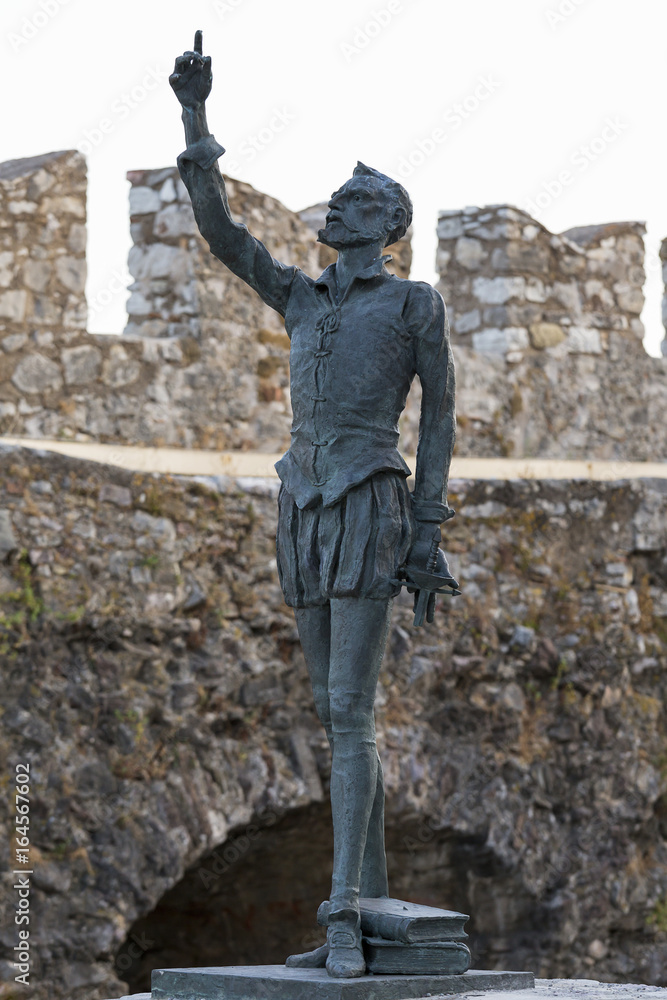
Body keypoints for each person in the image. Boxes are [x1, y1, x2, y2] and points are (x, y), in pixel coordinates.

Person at [170, 31, 458, 980]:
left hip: (370, 503)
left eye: (352, 202)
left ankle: (343, 912)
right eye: (334, 199)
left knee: (348, 710)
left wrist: (427, 532)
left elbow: (438, 418)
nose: (331, 210)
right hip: (303, 505)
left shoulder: (412, 304)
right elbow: (224, 236)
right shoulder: (301, 297)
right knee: (335, 717)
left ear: (386, 224)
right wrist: (196, 116)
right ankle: (363, 908)